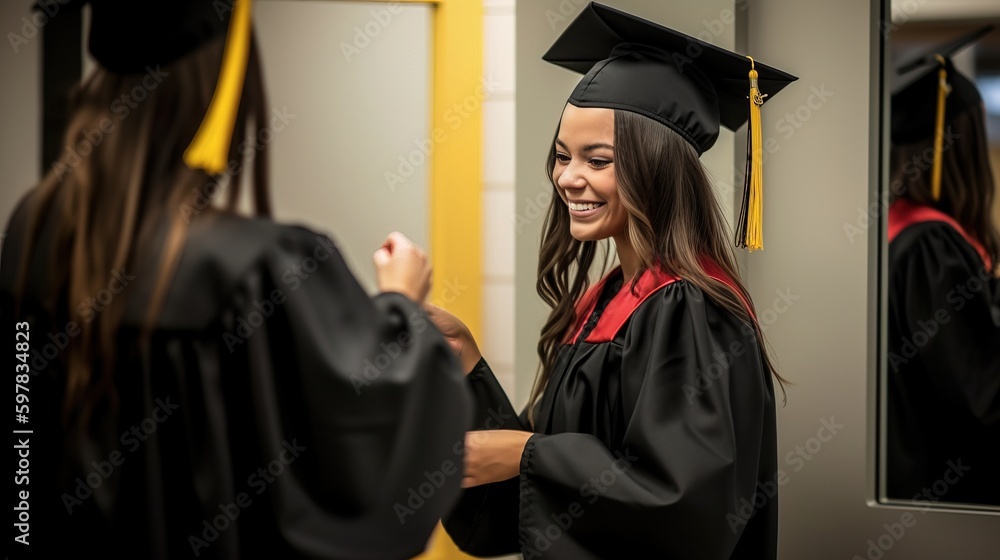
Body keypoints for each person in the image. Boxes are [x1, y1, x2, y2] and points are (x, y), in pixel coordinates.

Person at [1, 0, 471, 557]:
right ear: (223, 83)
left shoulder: (36, 233)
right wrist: (401, 307)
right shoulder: (256, 269)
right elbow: (369, 469)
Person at [429, 3, 795, 558]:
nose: (567, 179)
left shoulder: (690, 310)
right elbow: (513, 510)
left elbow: (686, 513)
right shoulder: (605, 305)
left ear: (658, 169)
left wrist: (530, 455)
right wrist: (464, 364)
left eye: (596, 160)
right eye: (561, 156)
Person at [886, 26, 1000, 507]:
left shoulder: (893, 232)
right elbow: (980, 398)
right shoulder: (932, 247)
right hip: (950, 496)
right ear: (967, 149)